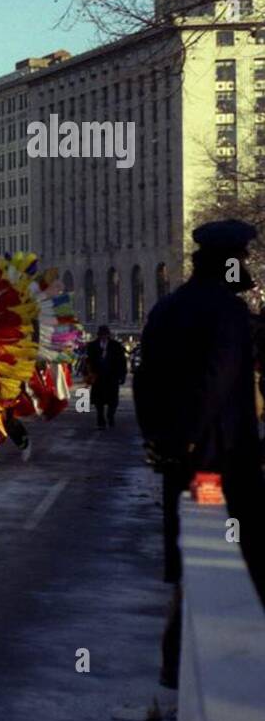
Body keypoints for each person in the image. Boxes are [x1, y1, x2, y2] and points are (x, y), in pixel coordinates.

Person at [136, 218, 265, 685]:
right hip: (219, 463)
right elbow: (216, 380)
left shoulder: (167, 308)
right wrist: (191, 437)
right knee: (223, 557)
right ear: (229, 264)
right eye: (242, 261)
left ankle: (175, 663)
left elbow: (146, 380)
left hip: (180, 459)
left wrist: (161, 439)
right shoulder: (226, 312)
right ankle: (213, 670)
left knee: (191, 556)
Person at [85, 324, 128, 429]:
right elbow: (88, 361)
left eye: (105, 335)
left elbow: (122, 361)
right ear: (98, 335)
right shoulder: (92, 345)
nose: (103, 337)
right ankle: (100, 420)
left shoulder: (116, 345)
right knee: (98, 400)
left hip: (112, 376)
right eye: (101, 335)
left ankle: (110, 415)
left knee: (113, 399)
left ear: (108, 335)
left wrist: (122, 375)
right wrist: (87, 375)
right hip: (98, 376)